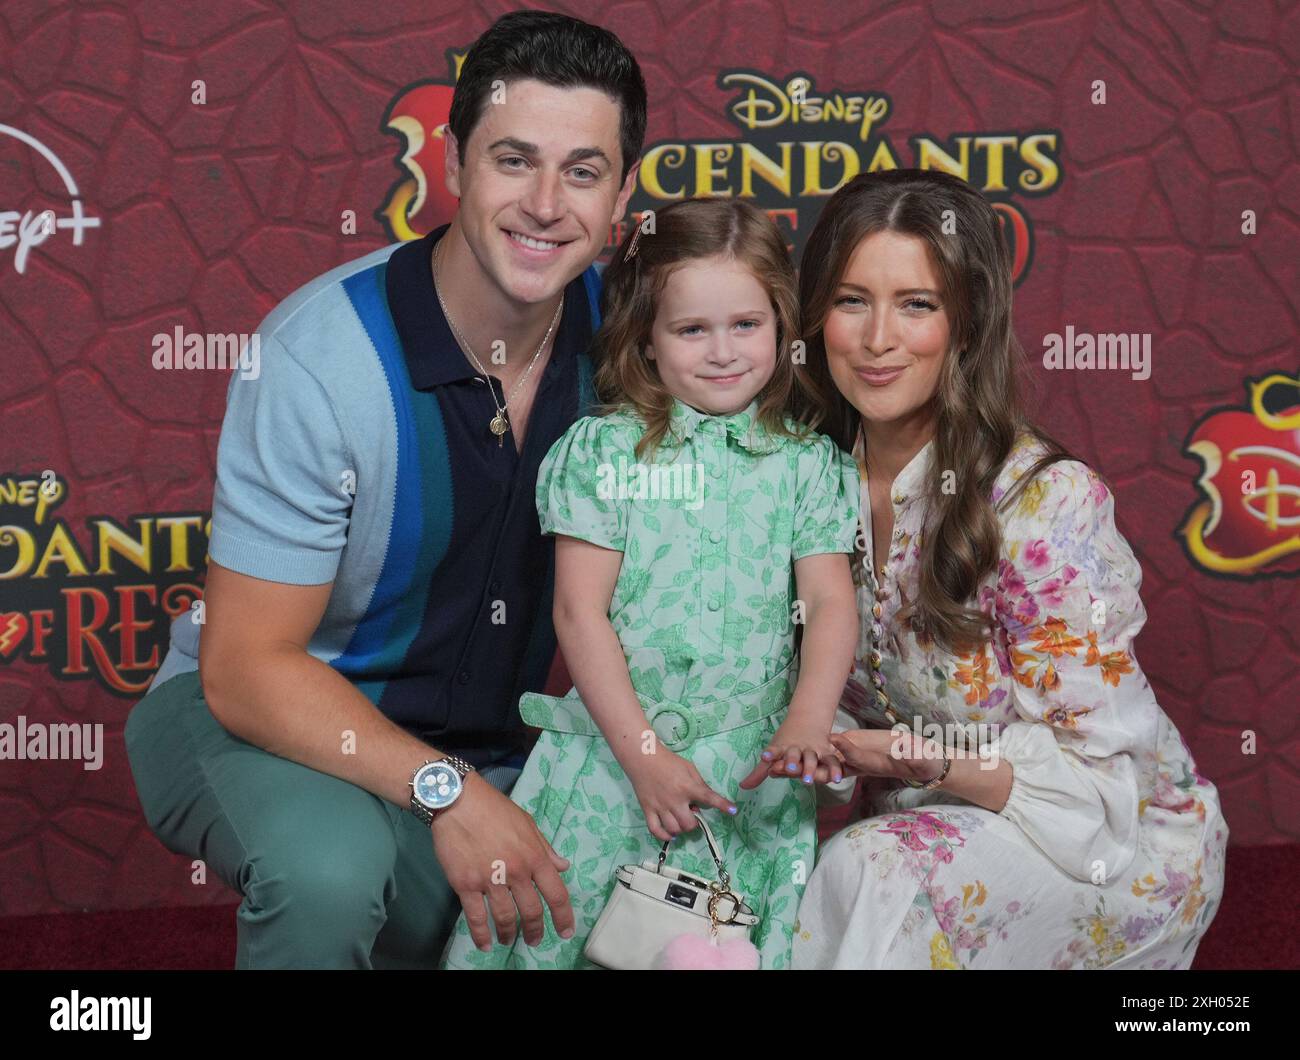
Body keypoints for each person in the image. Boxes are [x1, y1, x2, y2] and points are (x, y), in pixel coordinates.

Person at [123, 10, 646, 969]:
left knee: (620, 891)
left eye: (582, 171)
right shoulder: (323, 358)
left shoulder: (640, 347)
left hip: (493, 745)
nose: (544, 203)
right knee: (331, 871)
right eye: (512, 159)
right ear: (453, 162)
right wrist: (448, 792)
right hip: (257, 713)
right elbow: (247, 670)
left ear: (622, 194)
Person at [785, 169, 1229, 969]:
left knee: (873, 871)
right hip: (927, 827)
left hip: (1111, 848)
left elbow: (1098, 794)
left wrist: (913, 759)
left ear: (968, 320)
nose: (878, 337)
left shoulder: (1043, 504)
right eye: (852, 300)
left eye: (917, 304)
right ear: (816, 316)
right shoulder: (803, 481)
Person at [439, 197, 861, 969]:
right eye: (691, 329)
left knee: (733, 938)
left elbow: (830, 601)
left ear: (780, 324)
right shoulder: (608, 453)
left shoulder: (806, 465)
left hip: (750, 772)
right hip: (613, 759)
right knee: (572, 940)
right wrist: (642, 757)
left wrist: (807, 720)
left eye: (746, 325)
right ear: (648, 337)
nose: (723, 351)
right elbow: (579, 614)